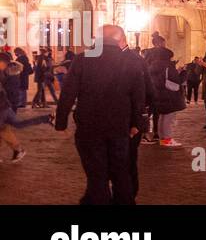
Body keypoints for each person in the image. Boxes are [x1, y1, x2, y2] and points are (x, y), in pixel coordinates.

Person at [54, 25, 147, 204]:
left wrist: (61, 122)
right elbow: (139, 95)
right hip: (120, 126)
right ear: (118, 39)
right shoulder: (130, 60)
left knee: (97, 174)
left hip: (89, 126)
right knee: (121, 172)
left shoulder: (83, 59)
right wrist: (137, 123)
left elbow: (68, 93)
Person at [1, 51, 46, 162]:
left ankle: (18, 150)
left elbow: (9, 90)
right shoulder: (9, 71)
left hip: (3, 106)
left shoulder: (7, 73)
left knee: (6, 128)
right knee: (6, 129)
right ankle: (18, 150)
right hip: (6, 105)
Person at [146, 41, 186, 148]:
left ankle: (162, 138)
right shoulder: (168, 65)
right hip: (169, 95)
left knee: (162, 117)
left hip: (159, 94)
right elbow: (175, 81)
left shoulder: (153, 65)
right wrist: (182, 73)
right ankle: (167, 140)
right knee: (168, 118)